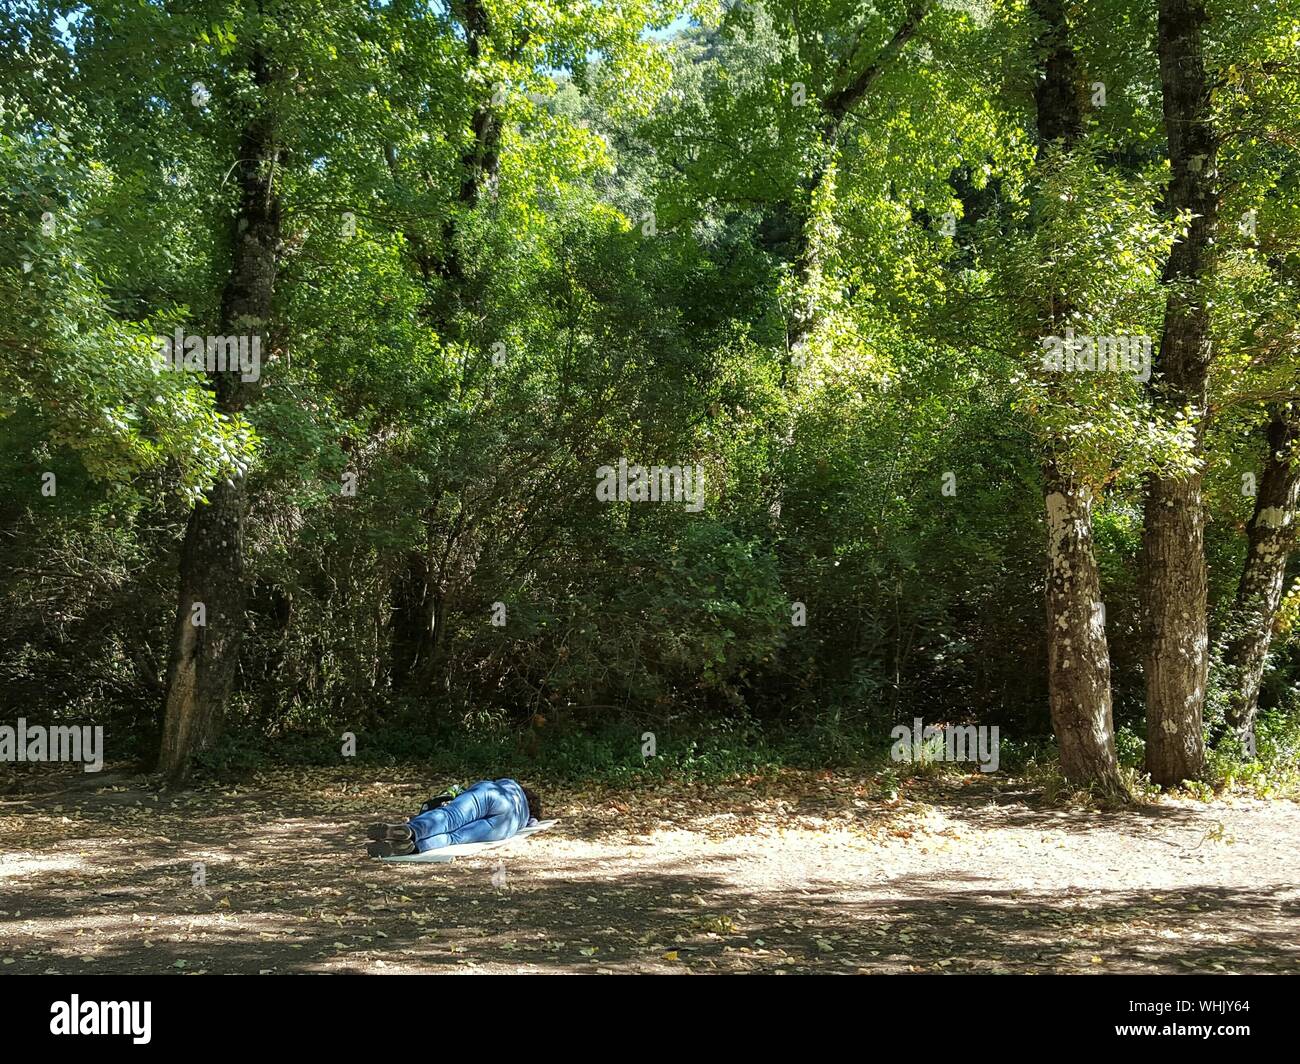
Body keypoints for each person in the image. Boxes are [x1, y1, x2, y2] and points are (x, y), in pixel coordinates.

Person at [365, 778, 541, 857]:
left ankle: (412, 829)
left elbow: (488, 786)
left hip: (492, 796)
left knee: (450, 817)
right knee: (454, 838)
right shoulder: (526, 818)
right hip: (505, 827)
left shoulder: (511, 784)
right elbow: (534, 823)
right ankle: (413, 848)